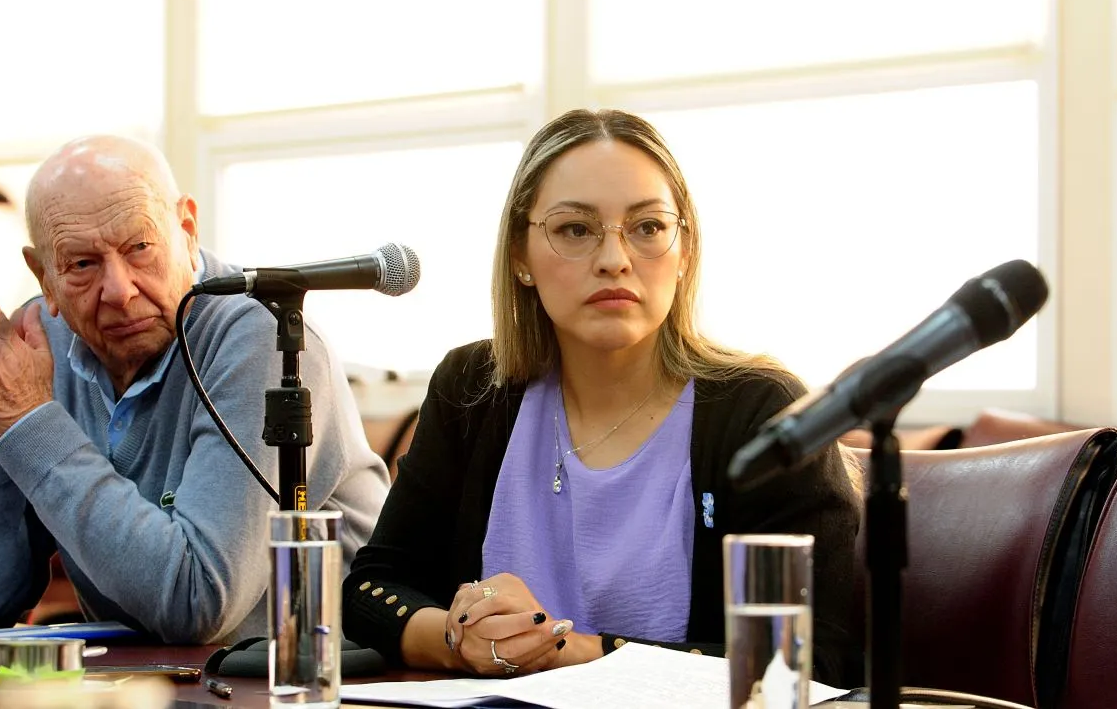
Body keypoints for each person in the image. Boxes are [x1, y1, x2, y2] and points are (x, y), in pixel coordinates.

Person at [342, 109, 861, 685]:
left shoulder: (762, 410)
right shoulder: (473, 387)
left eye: (647, 228)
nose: (615, 259)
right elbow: (372, 586)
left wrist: (575, 652)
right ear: (520, 257)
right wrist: (459, 637)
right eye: (575, 230)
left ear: (684, 251)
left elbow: (817, 656)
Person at [0, 135, 389, 643]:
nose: (119, 289)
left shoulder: (263, 338)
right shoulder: (38, 347)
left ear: (187, 229)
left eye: (139, 248)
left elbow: (197, 601)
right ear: (44, 276)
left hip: (330, 680)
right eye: (82, 264)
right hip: (150, 682)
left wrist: (27, 421)